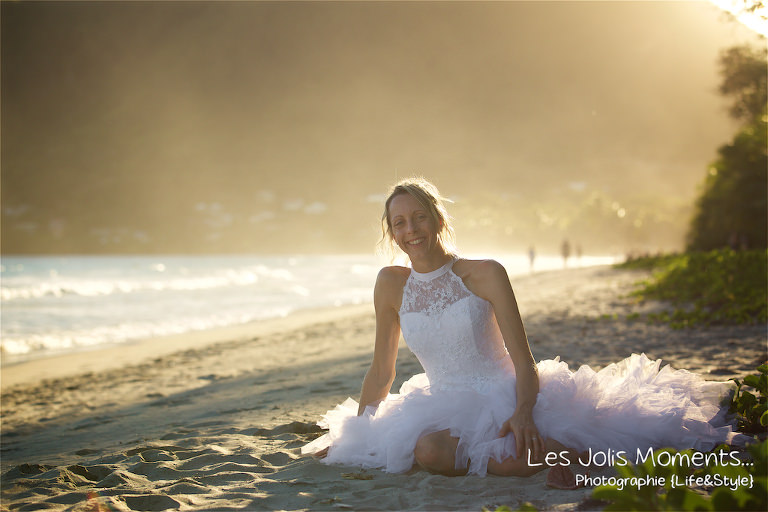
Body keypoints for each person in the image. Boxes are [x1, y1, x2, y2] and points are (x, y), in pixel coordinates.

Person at [302, 177, 745, 486]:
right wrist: (355, 434)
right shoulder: (390, 284)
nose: (410, 230)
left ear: (437, 219)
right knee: (428, 451)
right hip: (437, 403)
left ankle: (580, 458)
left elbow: (523, 361)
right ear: (391, 232)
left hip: (503, 394)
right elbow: (382, 372)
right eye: (399, 223)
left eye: (418, 217)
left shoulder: (486, 274)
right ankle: (549, 458)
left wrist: (523, 412)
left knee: (478, 455)